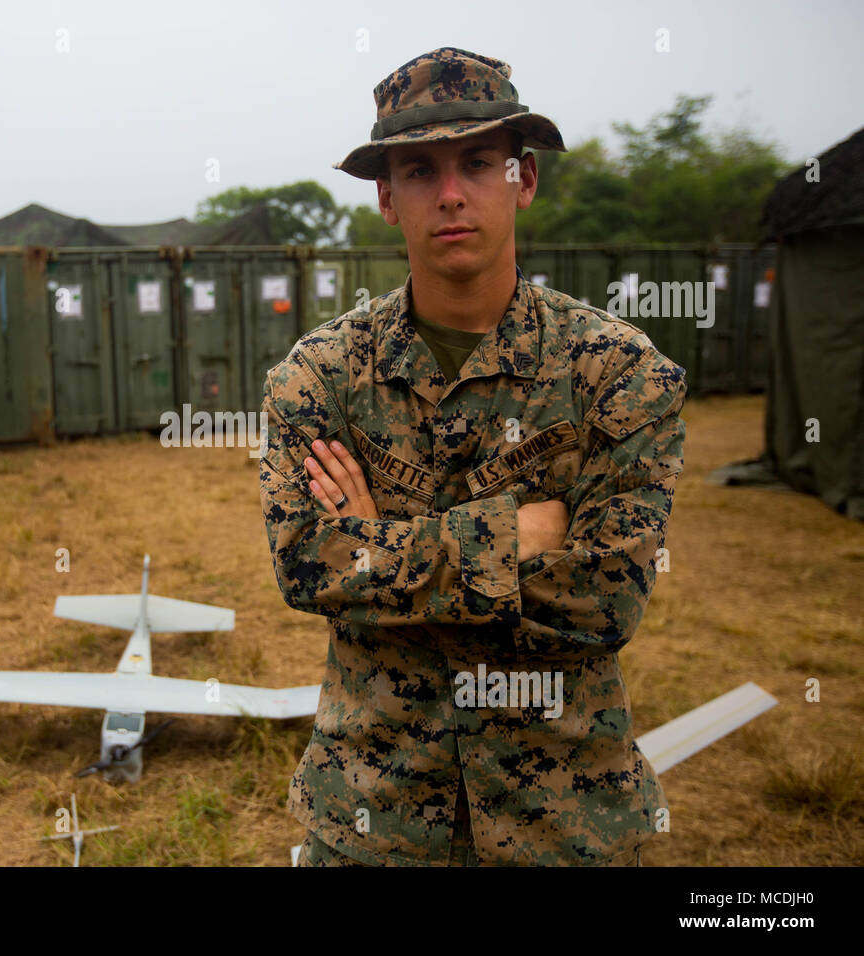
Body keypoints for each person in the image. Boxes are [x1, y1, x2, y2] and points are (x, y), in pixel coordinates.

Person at [258, 48, 685, 866]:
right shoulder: (322, 376)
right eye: (419, 170)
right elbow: (309, 566)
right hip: (371, 818)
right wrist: (519, 535)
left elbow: (606, 597)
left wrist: (379, 547)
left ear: (523, 180)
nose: (450, 193)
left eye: (478, 163)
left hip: (565, 823)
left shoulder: (617, 372)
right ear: (386, 198)